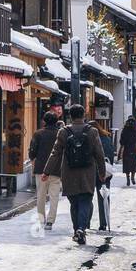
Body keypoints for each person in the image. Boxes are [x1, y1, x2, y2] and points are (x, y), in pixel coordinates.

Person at [43, 104, 108, 244]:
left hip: (69, 172)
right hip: (87, 173)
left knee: (74, 203)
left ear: (70, 116)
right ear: (84, 115)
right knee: (85, 200)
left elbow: (55, 153)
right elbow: (99, 154)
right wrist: (102, 173)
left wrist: (47, 171)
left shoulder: (64, 131)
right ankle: (81, 229)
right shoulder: (92, 131)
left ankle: (76, 230)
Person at [28, 111, 63, 230]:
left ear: (44, 121)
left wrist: (32, 158)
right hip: (56, 168)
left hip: (41, 169)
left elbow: (32, 150)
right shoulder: (60, 133)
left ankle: (41, 219)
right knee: (54, 196)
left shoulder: (38, 134)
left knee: (41, 195)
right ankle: (50, 221)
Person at [117, 116, 136, 185]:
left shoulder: (124, 130)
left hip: (126, 149)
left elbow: (121, 141)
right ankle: (132, 178)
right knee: (134, 164)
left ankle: (128, 178)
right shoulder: (135, 130)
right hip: (134, 149)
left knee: (127, 165)